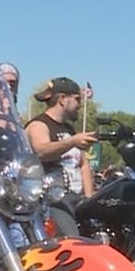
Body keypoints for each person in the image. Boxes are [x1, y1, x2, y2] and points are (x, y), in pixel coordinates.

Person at [25, 77, 96, 233]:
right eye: (77, 99)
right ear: (63, 99)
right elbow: (41, 151)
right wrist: (72, 141)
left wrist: (90, 199)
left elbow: (83, 164)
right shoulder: (38, 125)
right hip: (52, 200)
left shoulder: (68, 129)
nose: (80, 105)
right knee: (72, 240)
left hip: (76, 198)